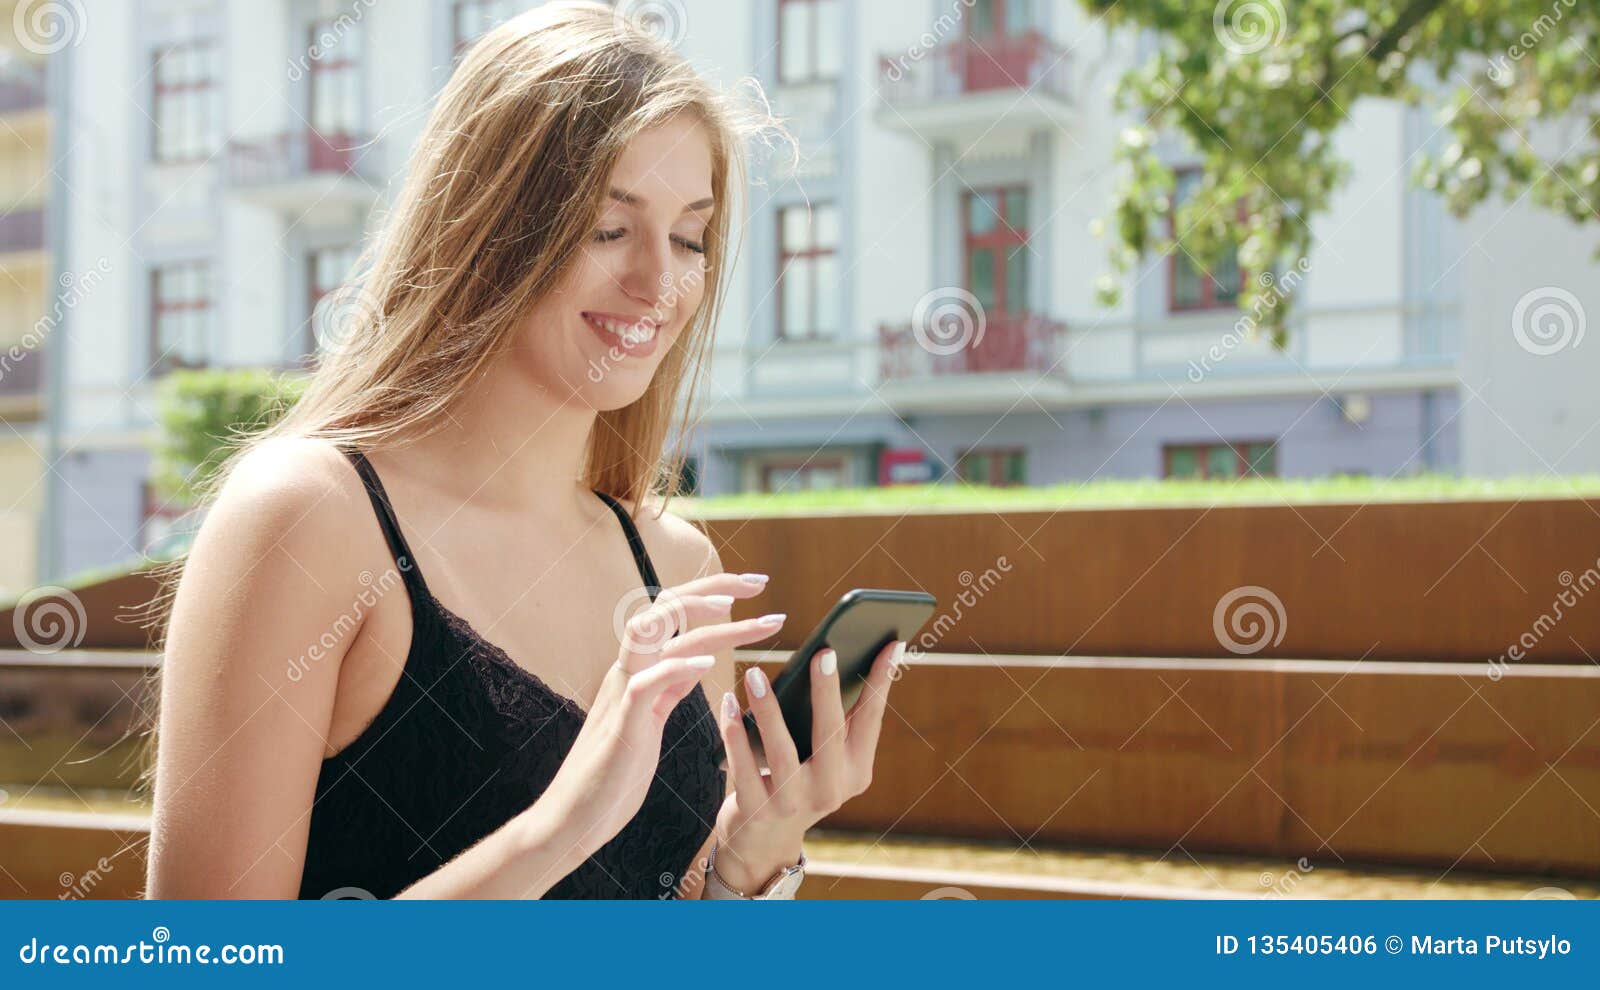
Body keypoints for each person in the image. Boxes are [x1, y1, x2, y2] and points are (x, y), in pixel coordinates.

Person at [144, 0, 903, 900]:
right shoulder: (306, 519)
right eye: (607, 228)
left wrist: (747, 863)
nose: (660, 282)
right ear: (488, 222)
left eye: (691, 237)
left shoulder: (674, 564)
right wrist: (560, 828)